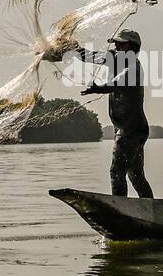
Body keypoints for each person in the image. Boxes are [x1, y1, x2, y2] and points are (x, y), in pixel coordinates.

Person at [45, 29, 153, 198]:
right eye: (116, 43)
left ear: (131, 48)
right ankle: (149, 207)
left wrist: (99, 88)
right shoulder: (115, 59)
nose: (116, 46)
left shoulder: (134, 67)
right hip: (129, 130)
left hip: (131, 131)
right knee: (136, 176)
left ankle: (121, 209)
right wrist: (70, 47)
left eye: (120, 44)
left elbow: (117, 83)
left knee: (117, 172)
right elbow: (87, 56)